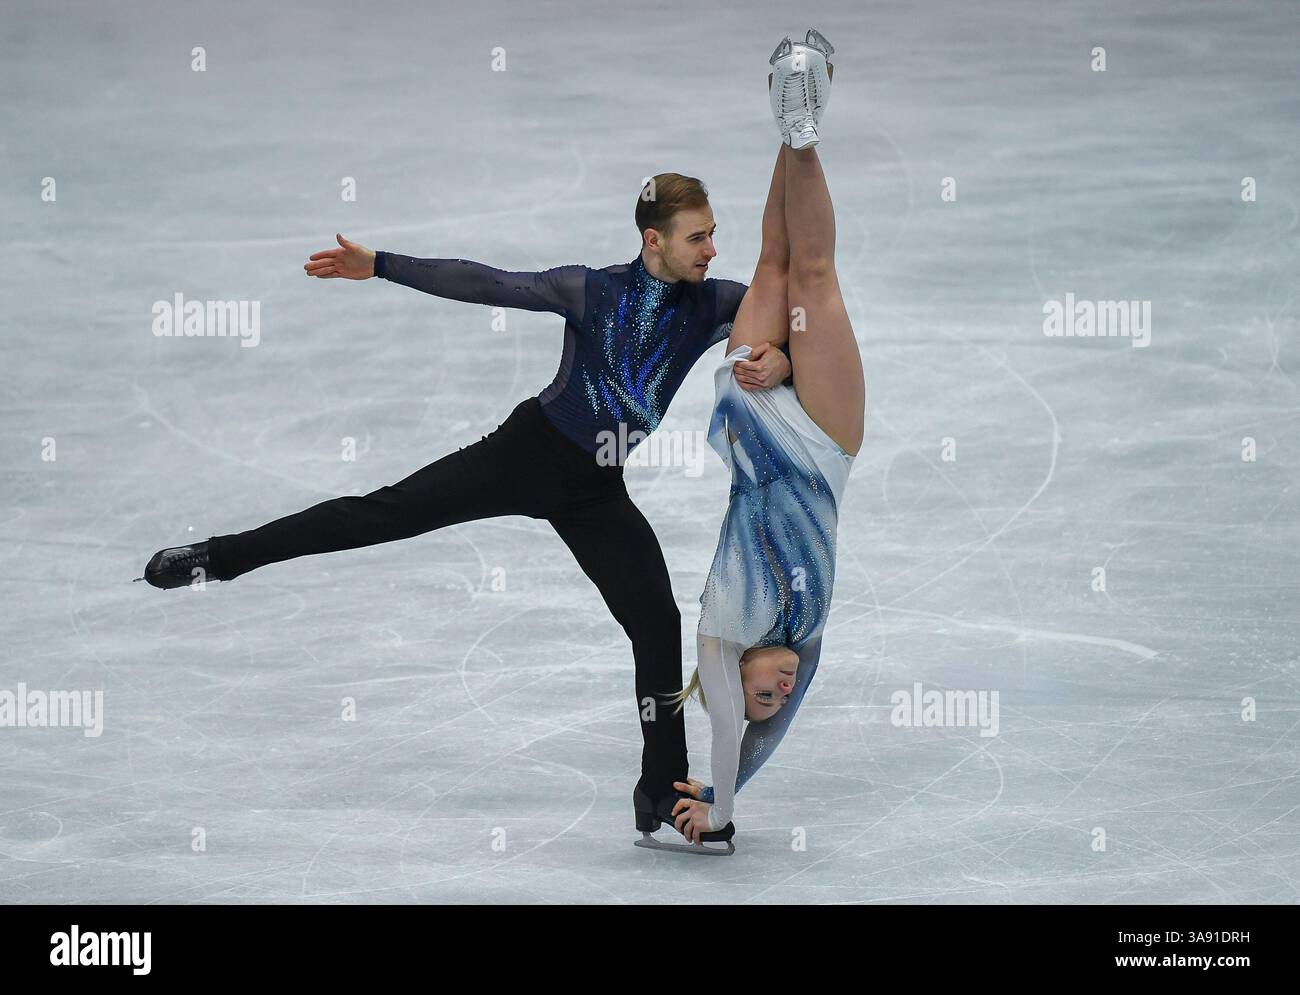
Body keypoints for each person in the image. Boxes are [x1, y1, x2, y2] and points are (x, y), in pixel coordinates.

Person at [138, 173, 796, 841]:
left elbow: (798, 320)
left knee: (656, 621)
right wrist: (382, 266)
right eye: (698, 236)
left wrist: (777, 358)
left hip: (596, 489)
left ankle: (660, 791)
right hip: (526, 453)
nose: (712, 248)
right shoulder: (594, 291)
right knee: (379, 514)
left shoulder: (715, 304)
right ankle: (217, 558)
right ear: (653, 241)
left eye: (713, 233)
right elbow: (488, 283)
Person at [664, 29, 866, 848]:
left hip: (751, 420)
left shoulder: (721, 632)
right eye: (781, 697)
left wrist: (718, 800)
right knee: (814, 277)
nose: (778, 692)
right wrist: (734, 784)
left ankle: (794, 115)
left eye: (760, 696)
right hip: (823, 440)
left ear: (728, 679)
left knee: (773, 259)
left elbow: (729, 737)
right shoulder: (803, 638)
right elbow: (767, 735)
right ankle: (803, 132)